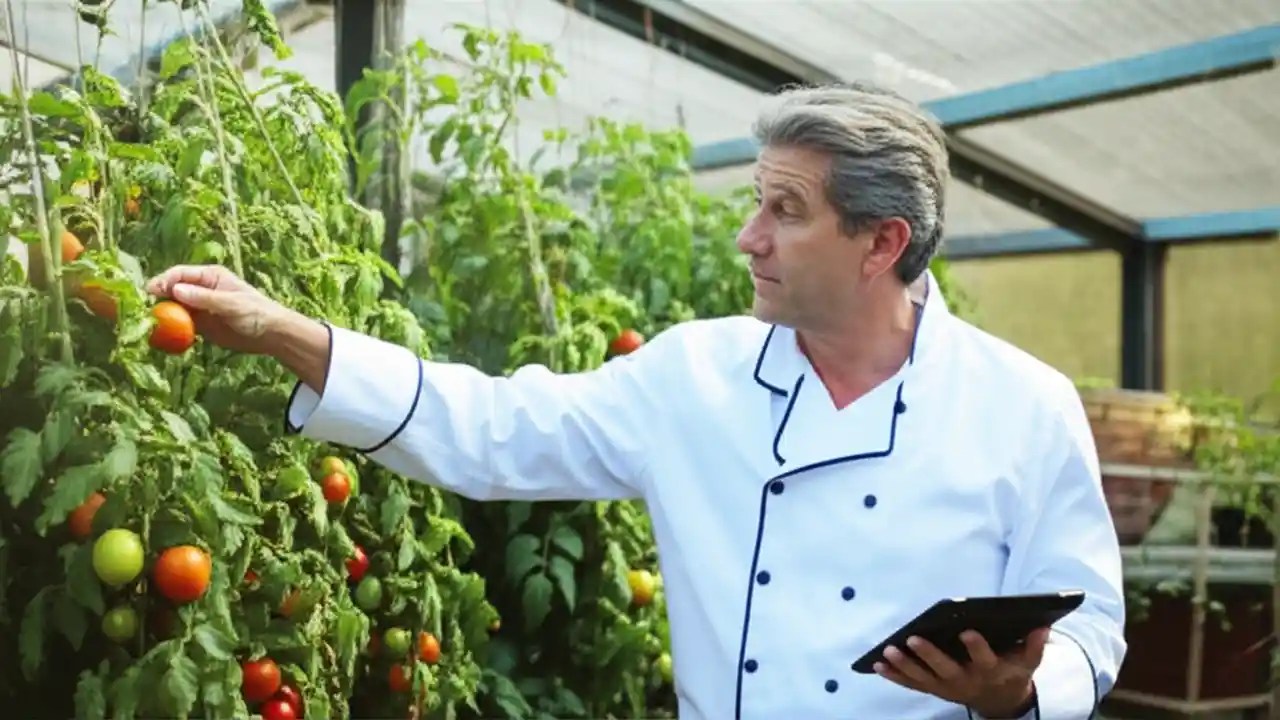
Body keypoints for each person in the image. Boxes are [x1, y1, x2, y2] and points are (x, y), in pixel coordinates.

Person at [147, 82, 1126, 720]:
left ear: (880, 244)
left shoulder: (1020, 407)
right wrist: (284, 331)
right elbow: (490, 431)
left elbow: (1091, 626)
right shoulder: (692, 378)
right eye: (755, 201)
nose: (746, 238)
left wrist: (1022, 692)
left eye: (783, 211)